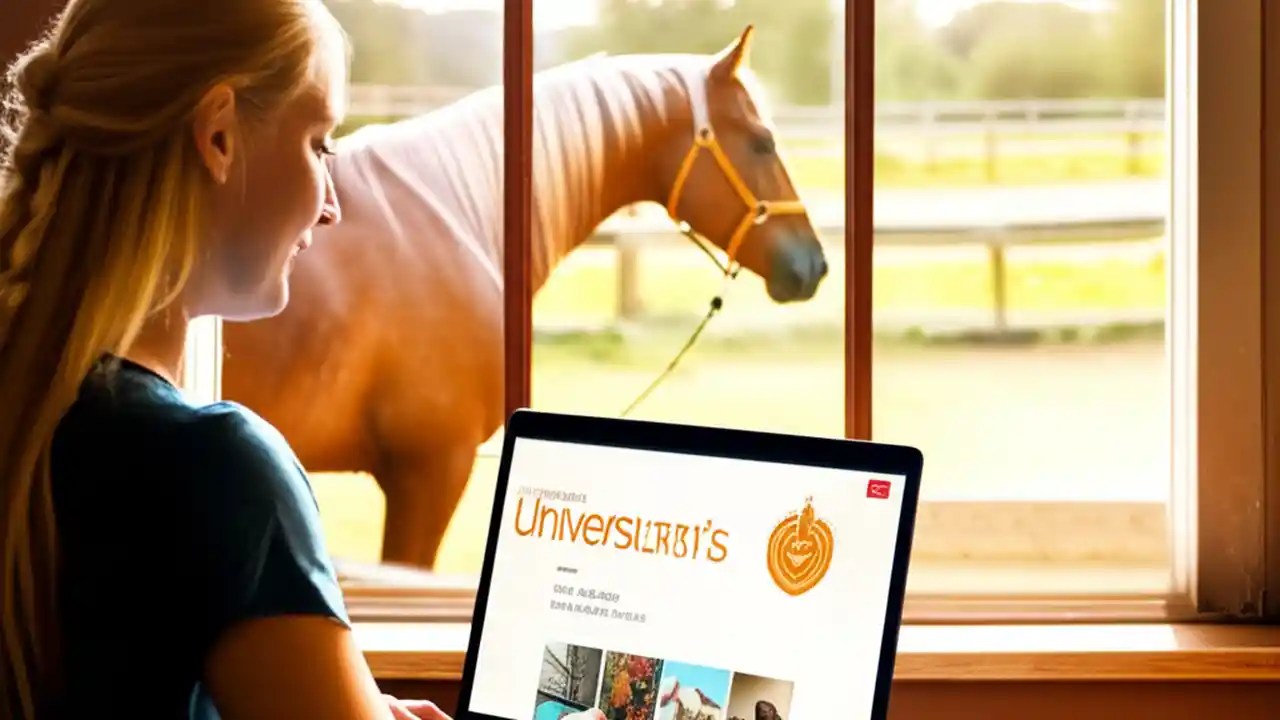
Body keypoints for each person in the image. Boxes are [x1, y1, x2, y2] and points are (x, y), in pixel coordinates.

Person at [0, 1, 609, 719]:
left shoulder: (39, 402)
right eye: (319, 142)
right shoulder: (216, 467)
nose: (331, 205)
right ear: (219, 135)